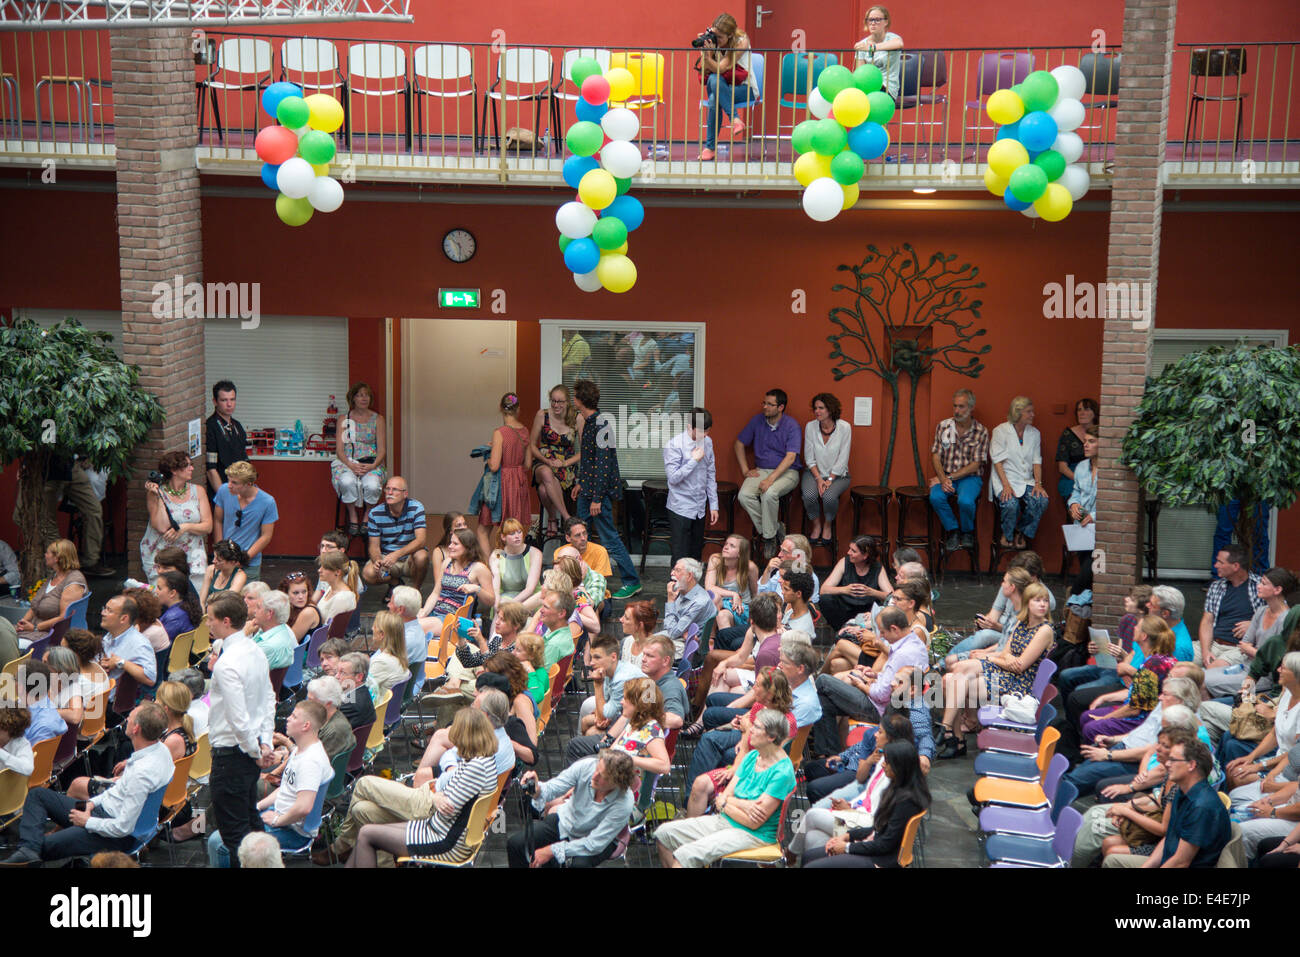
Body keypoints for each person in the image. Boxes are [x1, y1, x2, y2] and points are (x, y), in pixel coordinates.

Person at [0, 702, 173, 866]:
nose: (126, 719)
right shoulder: (160, 751)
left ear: (136, 729)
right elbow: (118, 791)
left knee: (40, 846)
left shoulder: (142, 773)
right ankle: (28, 851)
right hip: (103, 812)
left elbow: (123, 827)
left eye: (131, 718)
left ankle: (29, 852)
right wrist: (92, 803)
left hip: (112, 833)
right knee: (37, 795)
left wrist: (87, 821)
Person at [348, 708, 499, 868]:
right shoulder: (484, 760)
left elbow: (447, 809)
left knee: (366, 834)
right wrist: (439, 796)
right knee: (365, 828)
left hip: (444, 840)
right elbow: (448, 793)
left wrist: (437, 797)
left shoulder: (475, 767)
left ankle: (340, 848)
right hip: (441, 830)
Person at [658, 708, 795, 867]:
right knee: (664, 835)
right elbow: (723, 797)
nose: (750, 729)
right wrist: (740, 804)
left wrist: (725, 803)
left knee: (685, 855)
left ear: (771, 737)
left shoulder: (782, 772)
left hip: (753, 835)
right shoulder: (752, 756)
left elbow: (752, 822)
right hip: (726, 820)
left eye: (756, 727)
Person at [937, 582, 1054, 758]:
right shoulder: (1021, 623)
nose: (1043, 604)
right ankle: (953, 735)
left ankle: (950, 734)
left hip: (1018, 684)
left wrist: (993, 658)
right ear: (1027, 603)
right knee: (950, 678)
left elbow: (1020, 665)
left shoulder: (1045, 630)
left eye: (1045, 601)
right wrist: (1005, 658)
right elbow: (1006, 654)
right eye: (1037, 600)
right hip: (1005, 672)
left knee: (952, 679)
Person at [211, 699, 333, 866]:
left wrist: (278, 820)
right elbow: (285, 789)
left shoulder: (310, 762)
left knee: (220, 843)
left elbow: (304, 807)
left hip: (292, 830)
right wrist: (258, 806)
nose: (288, 718)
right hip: (279, 815)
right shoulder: (299, 750)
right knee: (229, 827)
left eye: (294, 716)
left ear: (306, 726)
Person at [205, 591, 276, 870]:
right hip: (249, 750)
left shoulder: (226, 663)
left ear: (225, 621)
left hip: (232, 757)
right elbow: (269, 698)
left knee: (235, 837)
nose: (207, 624)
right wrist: (265, 743)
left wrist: (257, 750)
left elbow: (238, 719)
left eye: (210, 619)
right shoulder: (254, 649)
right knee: (251, 827)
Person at [812, 606, 928, 758]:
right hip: (883, 700)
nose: (881, 636)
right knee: (824, 701)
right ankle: (828, 754)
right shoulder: (913, 642)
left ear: (894, 628)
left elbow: (880, 694)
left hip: (880, 708)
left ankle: (827, 751)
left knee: (823, 681)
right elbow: (890, 678)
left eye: (883, 632)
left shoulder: (903, 653)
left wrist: (861, 684)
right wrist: (873, 674)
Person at [1101, 738, 1230, 869]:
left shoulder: (1201, 807)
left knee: (1112, 860)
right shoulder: (1182, 791)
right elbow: (1169, 838)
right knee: (1111, 859)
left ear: (1191, 765)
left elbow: (1181, 862)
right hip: (1168, 859)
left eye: (1173, 760)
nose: (1167, 764)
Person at [685, 665, 797, 811]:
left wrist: (737, 769)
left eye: (757, 685)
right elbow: (745, 742)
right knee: (707, 747)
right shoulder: (759, 706)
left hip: (757, 773)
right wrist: (737, 762)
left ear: (769, 694)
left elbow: (766, 756)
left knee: (725, 756)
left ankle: (711, 802)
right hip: (745, 760)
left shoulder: (786, 723)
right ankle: (691, 807)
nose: (753, 688)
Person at [804, 739, 929, 868]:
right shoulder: (896, 789)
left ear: (899, 766)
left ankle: (789, 855)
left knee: (812, 816)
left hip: (879, 858)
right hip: (867, 836)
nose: (882, 765)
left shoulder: (905, 801)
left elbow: (884, 844)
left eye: (887, 762)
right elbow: (878, 829)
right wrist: (847, 836)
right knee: (810, 850)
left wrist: (847, 847)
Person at [572, 379, 641, 600]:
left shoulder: (600, 425)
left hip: (596, 496)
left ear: (580, 400)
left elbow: (604, 465)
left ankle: (632, 581)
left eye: (575, 396)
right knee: (578, 534)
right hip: (588, 491)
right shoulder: (590, 422)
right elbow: (591, 462)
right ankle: (577, 577)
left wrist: (597, 498)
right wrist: (582, 482)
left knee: (610, 538)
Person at [507, 750, 637, 867]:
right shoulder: (587, 766)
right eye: (597, 769)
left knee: (579, 865)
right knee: (516, 844)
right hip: (567, 822)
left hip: (599, 839)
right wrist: (537, 789)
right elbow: (554, 787)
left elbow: (594, 844)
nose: (594, 776)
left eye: (602, 776)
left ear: (616, 782)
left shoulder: (624, 802)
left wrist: (551, 850)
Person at [1203, 567, 1295, 698]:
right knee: (1203, 675)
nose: (1258, 586)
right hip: (1244, 666)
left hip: (1262, 677)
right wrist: (1253, 651)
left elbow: (1277, 660)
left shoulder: (1286, 619)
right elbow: (1244, 643)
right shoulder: (1261, 611)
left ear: (1277, 590)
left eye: (1264, 583)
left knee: (1205, 681)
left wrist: (1252, 651)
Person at [735, 388, 802, 558]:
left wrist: (771, 479)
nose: (765, 407)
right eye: (764, 403)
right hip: (761, 470)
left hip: (788, 471)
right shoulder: (757, 421)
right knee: (744, 495)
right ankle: (773, 531)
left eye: (770, 404)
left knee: (769, 493)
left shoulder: (792, 425)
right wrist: (744, 470)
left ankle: (768, 538)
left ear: (781, 407)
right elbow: (739, 444)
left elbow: (790, 457)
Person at [140, 450, 212, 593]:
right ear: (174, 470)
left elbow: (208, 526)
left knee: (195, 596)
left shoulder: (198, 491)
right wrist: (159, 497)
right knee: (164, 597)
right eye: (187, 465)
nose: (192, 468)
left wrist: (185, 527)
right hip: (163, 554)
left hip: (192, 554)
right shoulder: (156, 493)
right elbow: (161, 527)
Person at [928, 389, 990, 552]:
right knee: (935, 497)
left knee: (965, 501)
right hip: (946, 475)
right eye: (955, 406)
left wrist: (948, 477)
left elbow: (976, 464)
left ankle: (967, 531)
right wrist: (942, 479)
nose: (957, 410)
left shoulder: (981, 431)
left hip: (970, 477)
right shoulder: (944, 426)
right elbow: (935, 455)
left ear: (971, 408)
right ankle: (953, 530)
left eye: (961, 407)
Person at [475, 393, 533, 559]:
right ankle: (513, 564)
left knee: (483, 529)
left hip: (500, 484)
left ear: (501, 409)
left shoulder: (499, 432)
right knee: (514, 528)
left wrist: (492, 449)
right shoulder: (525, 431)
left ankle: (492, 567)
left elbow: (494, 466)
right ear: (518, 409)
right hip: (519, 482)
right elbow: (528, 465)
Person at [37, 453, 112, 578]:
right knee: (48, 521)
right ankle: (58, 568)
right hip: (48, 469)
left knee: (94, 510)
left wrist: (86, 457)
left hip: (70, 465)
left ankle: (90, 561)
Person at [695, 13, 757, 162]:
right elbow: (706, 70)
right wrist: (706, 54)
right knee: (713, 81)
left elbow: (722, 68)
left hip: (744, 89)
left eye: (720, 37)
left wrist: (709, 58)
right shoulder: (712, 40)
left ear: (730, 35)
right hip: (720, 86)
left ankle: (710, 148)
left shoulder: (741, 42)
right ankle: (735, 119)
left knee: (713, 97)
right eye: (714, 35)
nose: (717, 40)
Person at [662, 407, 719, 567]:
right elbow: (673, 478)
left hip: (700, 507)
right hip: (680, 507)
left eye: (707, 431)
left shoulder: (708, 442)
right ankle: (675, 591)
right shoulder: (674, 445)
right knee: (680, 557)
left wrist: (713, 505)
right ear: (690, 427)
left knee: (695, 557)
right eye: (701, 432)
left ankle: (694, 591)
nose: (705, 435)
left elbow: (710, 473)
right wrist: (693, 461)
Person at [989, 395, 1048, 549]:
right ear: (1018, 412)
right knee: (1010, 505)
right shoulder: (1000, 431)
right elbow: (998, 462)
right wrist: (1006, 486)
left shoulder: (1035, 433)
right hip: (1004, 479)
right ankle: (1007, 534)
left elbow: (1037, 461)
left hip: (1025, 480)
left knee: (1041, 500)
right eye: (1029, 412)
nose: (1033, 415)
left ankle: (1021, 532)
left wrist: (1038, 484)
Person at [331, 382, 387, 536]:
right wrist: (350, 465)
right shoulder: (345, 419)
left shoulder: (378, 419)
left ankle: (367, 515)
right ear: (352, 398)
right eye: (360, 395)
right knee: (346, 482)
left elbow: (382, 449)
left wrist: (373, 465)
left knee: (373, 486)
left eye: (367, 395)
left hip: (371, 462)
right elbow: (340, 450)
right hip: (347, 461)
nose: (364, 398)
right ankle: (353, 515)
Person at [1200, 544, 1265, 669]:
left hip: (1240, 648)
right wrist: (1205, 651)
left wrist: (1254, 625)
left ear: (1235, 566)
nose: (1215, 565)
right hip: (1213, 644)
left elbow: (1282, 616)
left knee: (1212, 670)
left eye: (1220, 562)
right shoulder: (1216, 586)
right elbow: (1207, 621)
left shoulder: (1261, 586)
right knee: (1176, 659)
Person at [360, 475, 429, 591]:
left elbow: (421, 540)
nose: (389, 492)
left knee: (422, 556)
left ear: (405, 494)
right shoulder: (375, 513)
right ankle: (395, 583)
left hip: (409, 558)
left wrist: (397, 554)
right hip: (386, 559)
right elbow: (374, 546)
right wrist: (377, 559)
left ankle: (415, 591)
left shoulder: (416, 507)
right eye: (387, 489)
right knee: (368, 573)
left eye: (395, 489)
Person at [212, 461, 278, 581]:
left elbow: (266, 536)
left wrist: (244, 558)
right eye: (229, 480)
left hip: (250, 562)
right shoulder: (223, 491)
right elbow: (218, 520)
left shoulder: (267, 502)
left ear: (249, 484)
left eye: (235, 482)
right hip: (224, 558)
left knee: (248, 597)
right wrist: (219, 552)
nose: (229, 485)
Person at [529, 384, 579, 538]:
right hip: (543, 462)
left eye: (560, 402)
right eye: (553, 401)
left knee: (544, 490)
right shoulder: (542, 415)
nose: (556, 405)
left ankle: (552, 517)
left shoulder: (577, 418)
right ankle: (567, 518)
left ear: (567, 402)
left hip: (565, 467)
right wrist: (546, 460)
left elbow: (585, 452)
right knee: (545, 472)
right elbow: (532, 445)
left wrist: (564, 463)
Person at [802, 393, 852, 548]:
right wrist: (818, 479)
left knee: (829, 497)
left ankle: (828, 524)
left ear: (830, 410)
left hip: (838, 476)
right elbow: (809, 458)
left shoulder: (844, 427)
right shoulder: (810, 427)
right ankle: (816, 524)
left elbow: (843, 458)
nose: (817, 411)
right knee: (809, 495)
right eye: (815, 408)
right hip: (814, 473)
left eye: (821, 408)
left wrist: (829, 479)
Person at [818, 534, 892, 631]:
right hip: (844, 609)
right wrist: (845, 590)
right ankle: (840, 631)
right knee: (825, 599)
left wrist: (872, 592)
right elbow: (823, 590)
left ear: (865, 556)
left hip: (866, 612)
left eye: (853, 551)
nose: (848, 553)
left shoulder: (877, 568)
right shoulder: (845, 562)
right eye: (850, 549)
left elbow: (892, 598)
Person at [575, 633, 644, 737]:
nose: (592, 663)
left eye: (597, 658)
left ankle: (583, 747)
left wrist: (597, 684)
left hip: (639, 722)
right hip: (622, 714)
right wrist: (603, 717)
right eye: (591, 657)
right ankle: (582, 748)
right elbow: (605, 705)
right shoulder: (608, 670)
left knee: (591, 732)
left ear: (613, 657)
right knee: (585, 721)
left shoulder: (622, 679)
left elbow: (604, 715)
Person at [420, 528, 494, 623]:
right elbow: (435, 593)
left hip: (454, 619)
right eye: (450, 543)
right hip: (435, 613)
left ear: (468, 547)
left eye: (455, 544)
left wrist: (477, 589)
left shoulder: (479, 568)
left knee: (418, 626)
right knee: (410, 622)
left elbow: (491, 600)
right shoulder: (447, 563)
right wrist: (424, 612)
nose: (450, 546)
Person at [14, 539, 86, 635]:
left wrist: (35, 628)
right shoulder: (54, 576)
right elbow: (34, 609)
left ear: (57, 558)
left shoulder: (74, 582)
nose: (45, 555)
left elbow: (64, 616)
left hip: (52, 634)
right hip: (33, 629)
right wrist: (22, 624)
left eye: (47, 553)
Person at [1065, 424, 1102, 594]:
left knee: (1095, 571)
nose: (1085, 445)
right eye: (1085, 441)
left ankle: (1073, 599)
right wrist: (1073, 504)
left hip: (1101, 529)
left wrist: (1093, 516)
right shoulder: (1081, 467)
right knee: (1088, 573)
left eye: (1091, 441)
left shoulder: (1109, 469)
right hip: (1082, 528)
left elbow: (1110, 502)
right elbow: (1076, 492)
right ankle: (1084, 610)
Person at [98, 594, 157, 690]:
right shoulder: (109, 635)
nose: (103, 613)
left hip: (112, 702)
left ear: (123, 619)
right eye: (105, 608)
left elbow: (150, 678)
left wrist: (120, 662)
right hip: (99, 693)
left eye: (109, 610)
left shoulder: (139, 643)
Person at [704, 534, 759, 634]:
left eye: (732, 546)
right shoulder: (715, 560)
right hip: (720, 602)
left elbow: (755, 594)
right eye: (726, 544)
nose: (726, 547)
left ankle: (726, 643)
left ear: (740, 553)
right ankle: (710, 638)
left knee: (722, 615)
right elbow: (709, 587)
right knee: (714, 597)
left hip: (740, 606)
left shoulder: (750, 567)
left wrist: (754, 617)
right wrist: (734, 594)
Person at [661, 558, 714, 660]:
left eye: (677, 570)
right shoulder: (683, 591)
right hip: (676, 638)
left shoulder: (698, 602)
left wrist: (670, 601)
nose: (672, 573)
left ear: (689, 576)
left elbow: (672, 633)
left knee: (643, 647)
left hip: (684, 647)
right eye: (673, 570)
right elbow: (670, 626)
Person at [853, 5, 905, 103]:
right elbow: (861, 72)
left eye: (877, 20)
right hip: (868, 87)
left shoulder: (892, 38)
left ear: (886, 22)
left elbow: (899, 43)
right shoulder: (862, 44)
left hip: (887, 88)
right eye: (870, 20)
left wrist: (872, 48)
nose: (873, 23)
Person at [489, 518, 542, 611]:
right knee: (501, 606)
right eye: (512, 533)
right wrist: (497, 602)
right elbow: (496, 583)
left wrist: (510, 605)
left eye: (519, 532)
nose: (517, 536)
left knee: (505, 608)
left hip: (531, 598)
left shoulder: (535, 553)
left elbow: (530, 589)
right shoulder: (497, 554)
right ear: (503, 537)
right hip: (505, 596)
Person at [205, 379, 246, 494]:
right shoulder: (210, 427)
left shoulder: (237, 426)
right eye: (224, 400)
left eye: (232, 399)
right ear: (215, 401)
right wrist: (225, 498)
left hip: (241, 490)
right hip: (222, 490)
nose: (229, 404)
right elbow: (211, 469)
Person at [1056, 397, 1099, 500]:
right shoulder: (1068, 434)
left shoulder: (1101, 432)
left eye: (1086, 409)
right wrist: (1080, 480)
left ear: (1095, 413)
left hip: (1096, 476)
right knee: (1079, 509)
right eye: (1079, 410)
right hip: (1073, 478)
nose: (1082, 412)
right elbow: (1062, 467)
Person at [250, 590, 297, 672]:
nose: (254, 611)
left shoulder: (269, 646)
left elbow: (237, 665)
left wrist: (242, 634)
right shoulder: (280, 629)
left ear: (269, 613)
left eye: (258, 607)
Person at [367, 610, 409, 698]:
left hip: (376, 709)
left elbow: (362, 693)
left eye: (374, 626)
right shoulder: (399, 658)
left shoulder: (381, 662)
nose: (372, 628)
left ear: (382, 634)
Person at [315, 550, 360, 627]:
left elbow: (328, 629)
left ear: (337, 572)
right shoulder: (330, 588)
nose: (319, 570)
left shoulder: (343, 598)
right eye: (320, 566)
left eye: (325, 568)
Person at [199, 540, 248, 610]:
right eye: (214, 557)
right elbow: (202, 601)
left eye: (218, 560)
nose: (213, 561)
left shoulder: (240, 576)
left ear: (232, 562)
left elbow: (227, 599)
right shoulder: (211, 570)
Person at [156, 570, 199, 642]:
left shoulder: (173, 618)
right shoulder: (185, 607)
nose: (156, 591)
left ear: (172, 593)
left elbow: (160, 644)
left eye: (159, 588)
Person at [278, 571, 322, 642]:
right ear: (286, 593)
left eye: (304, 592)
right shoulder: (292, 608)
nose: (301, 596)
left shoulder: (308, 612)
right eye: (296, 593)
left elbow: (290, 642)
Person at [617, 600, 658, 671]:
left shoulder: (654, 650)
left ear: (640, 625)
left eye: (626, 618)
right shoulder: (626, 642)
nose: (621, 619)